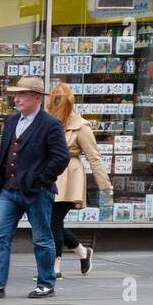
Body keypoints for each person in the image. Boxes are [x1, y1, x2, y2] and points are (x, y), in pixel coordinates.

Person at [0, 77, 70, 300]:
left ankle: (46, 283)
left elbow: (61, 158)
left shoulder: (50, 124)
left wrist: (42, 180)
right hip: (9, 189)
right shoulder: (12, 121)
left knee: (42, 238)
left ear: (36, 97)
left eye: (22, 94)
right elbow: (7, 154)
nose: (16, 99)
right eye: (16, 95)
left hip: (37, 191)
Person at [48, 82, 112, 278]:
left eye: (61, 100)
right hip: (49, 174)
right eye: (55, 99)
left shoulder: (81, 126)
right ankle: (82, 252)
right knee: (50, 221)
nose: (58, 103)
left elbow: (94, 156)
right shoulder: (47, 121)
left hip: (69, 176)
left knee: (54, 219)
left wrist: (104, 185)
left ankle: (55, 267)